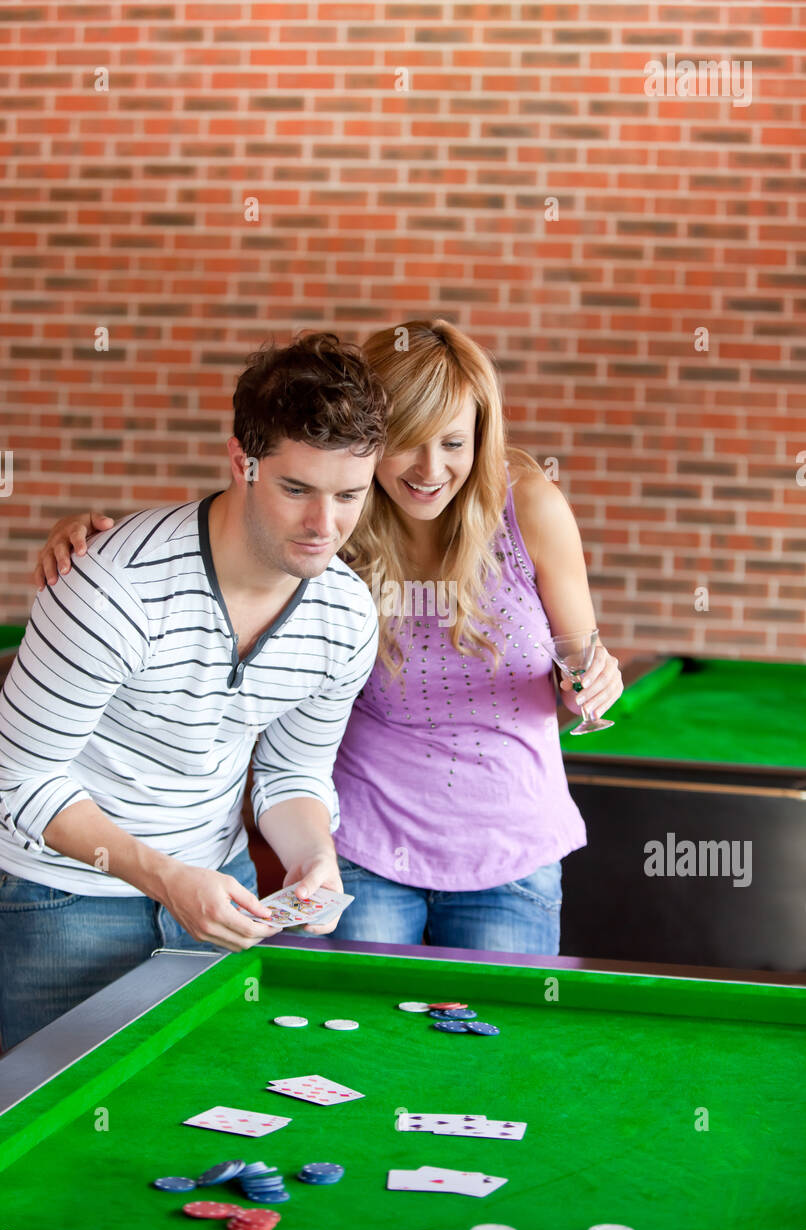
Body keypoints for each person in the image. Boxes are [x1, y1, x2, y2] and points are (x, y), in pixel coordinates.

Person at [32, 318, 623, 958]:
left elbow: (579, 668)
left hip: (510, 844)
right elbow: (233, 519)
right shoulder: (333, 524)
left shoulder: (518, 508)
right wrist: (95, 543)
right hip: (365, 845)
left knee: (495, 1047)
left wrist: (589, 682)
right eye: (409, 441)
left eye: (454, 443)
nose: (430, 469)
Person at [0, 333, 387, 1051]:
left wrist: (313, 857)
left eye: (349, 495)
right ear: (242, 463)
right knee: (44, 1142)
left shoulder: (347, 614)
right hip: (61, 901)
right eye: (297, 489)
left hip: (221, 891)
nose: (324, 526)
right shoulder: (111, 589)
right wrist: (166, 878)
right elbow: (16, 780)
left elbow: (293, 773)